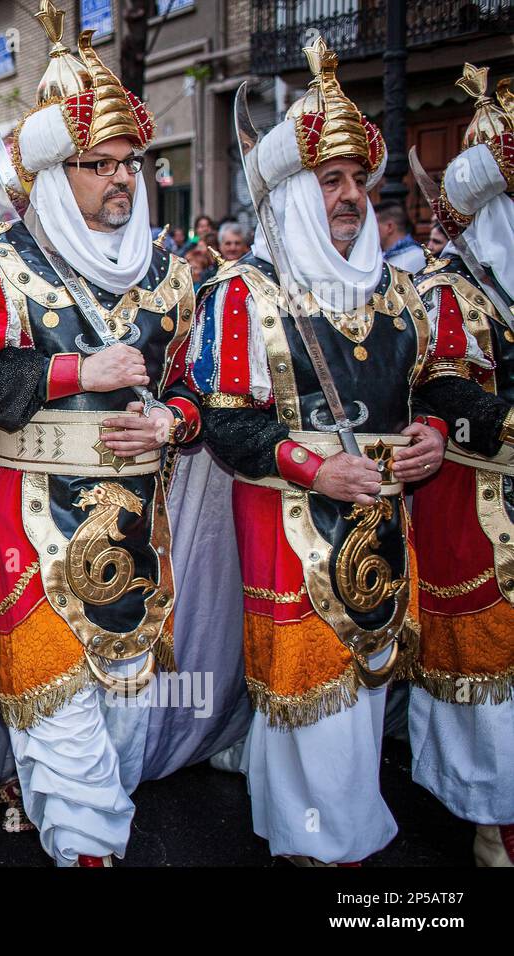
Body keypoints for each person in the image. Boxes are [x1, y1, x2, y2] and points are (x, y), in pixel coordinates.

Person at [185, 35, 448, 866]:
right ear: (294, 191)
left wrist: (431, 438)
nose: (350, 198)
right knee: (307, 695)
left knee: (362, 694)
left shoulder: (400, 289)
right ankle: (322, 848)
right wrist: (312, 465)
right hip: (289, 520)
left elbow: (437, 388)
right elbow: (226, 422)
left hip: (381, 522)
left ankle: (326, 826)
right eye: (329, 181)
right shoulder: (243, 292)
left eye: (356, 182)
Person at [0, 2, 202, 867]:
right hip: (31, 528)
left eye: (128, 163)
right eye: (97, 165)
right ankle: (87, 852)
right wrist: (77, 373)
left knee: (126, 720)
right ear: (55, 175)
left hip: (138, 533)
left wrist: (172, 421)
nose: (120, 180)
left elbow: (199, 392)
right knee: (60, 719)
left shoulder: (171, 276)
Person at [407, 63, 514, 867]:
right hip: (474, 501)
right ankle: (489, 815)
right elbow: (444, 385)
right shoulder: (446, 290)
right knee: (487, 668)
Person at [378, 200, 427, 274]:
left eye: (373, 225)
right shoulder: (379, 257)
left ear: (389, 227)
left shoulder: (418, 257)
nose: (370, 231)